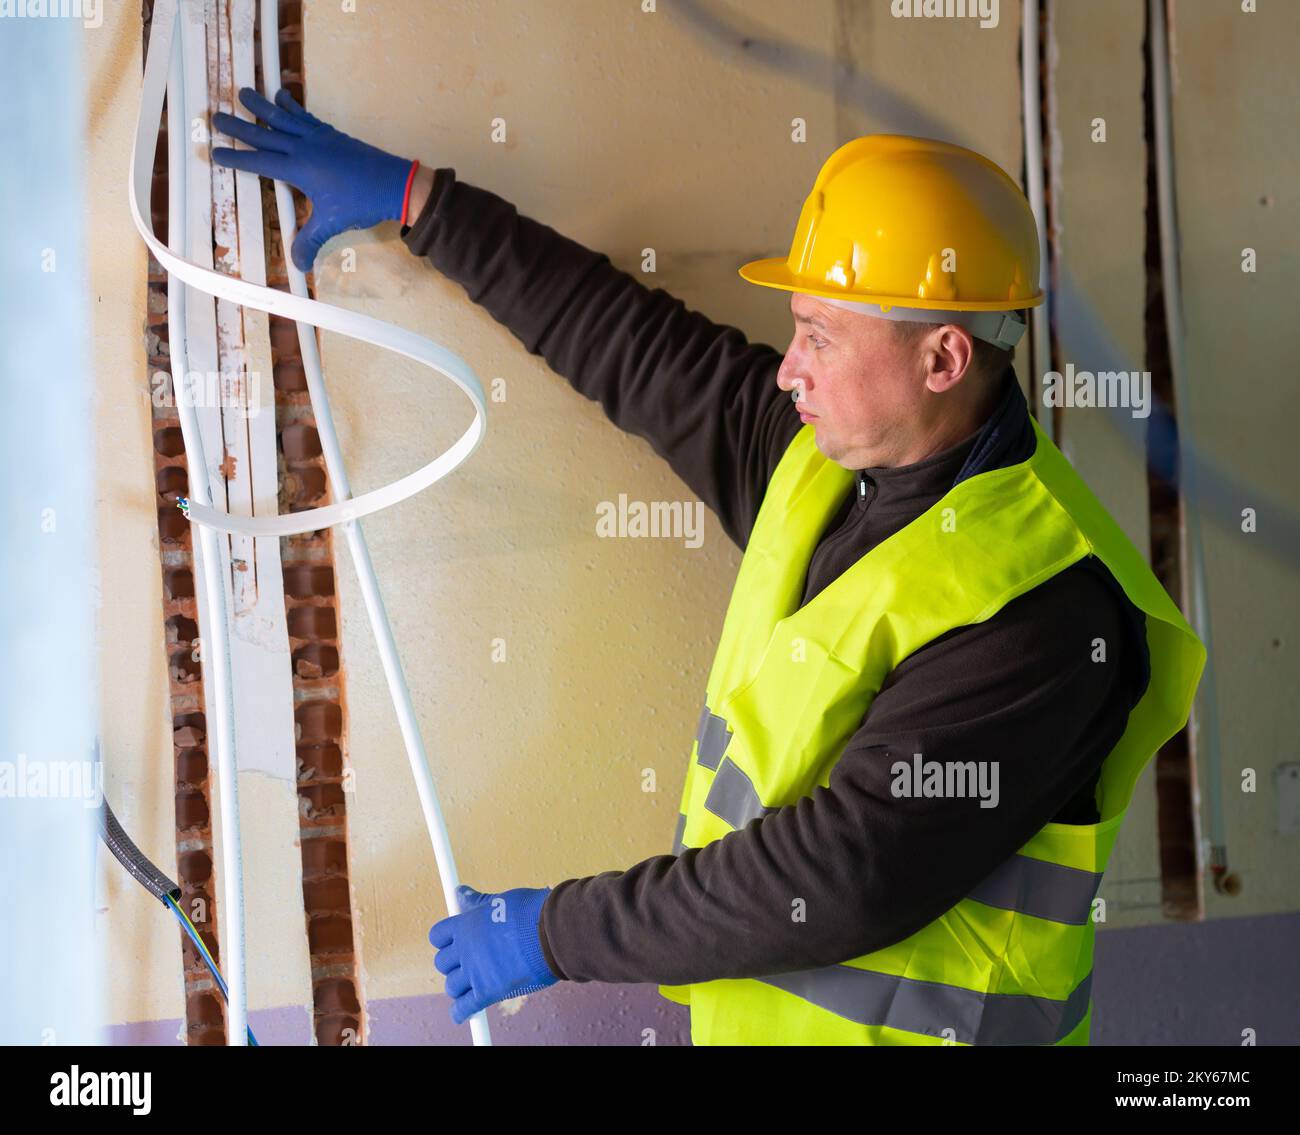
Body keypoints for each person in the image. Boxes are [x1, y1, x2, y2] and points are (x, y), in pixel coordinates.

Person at [213, 92, 1204, 1046]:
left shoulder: (1040, 613)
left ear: (942, 359)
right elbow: (637, 346)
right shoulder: (821, 468)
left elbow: (839, 875)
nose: (788, 367)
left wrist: (554, 933)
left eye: (820, 337)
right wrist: (422, 202)